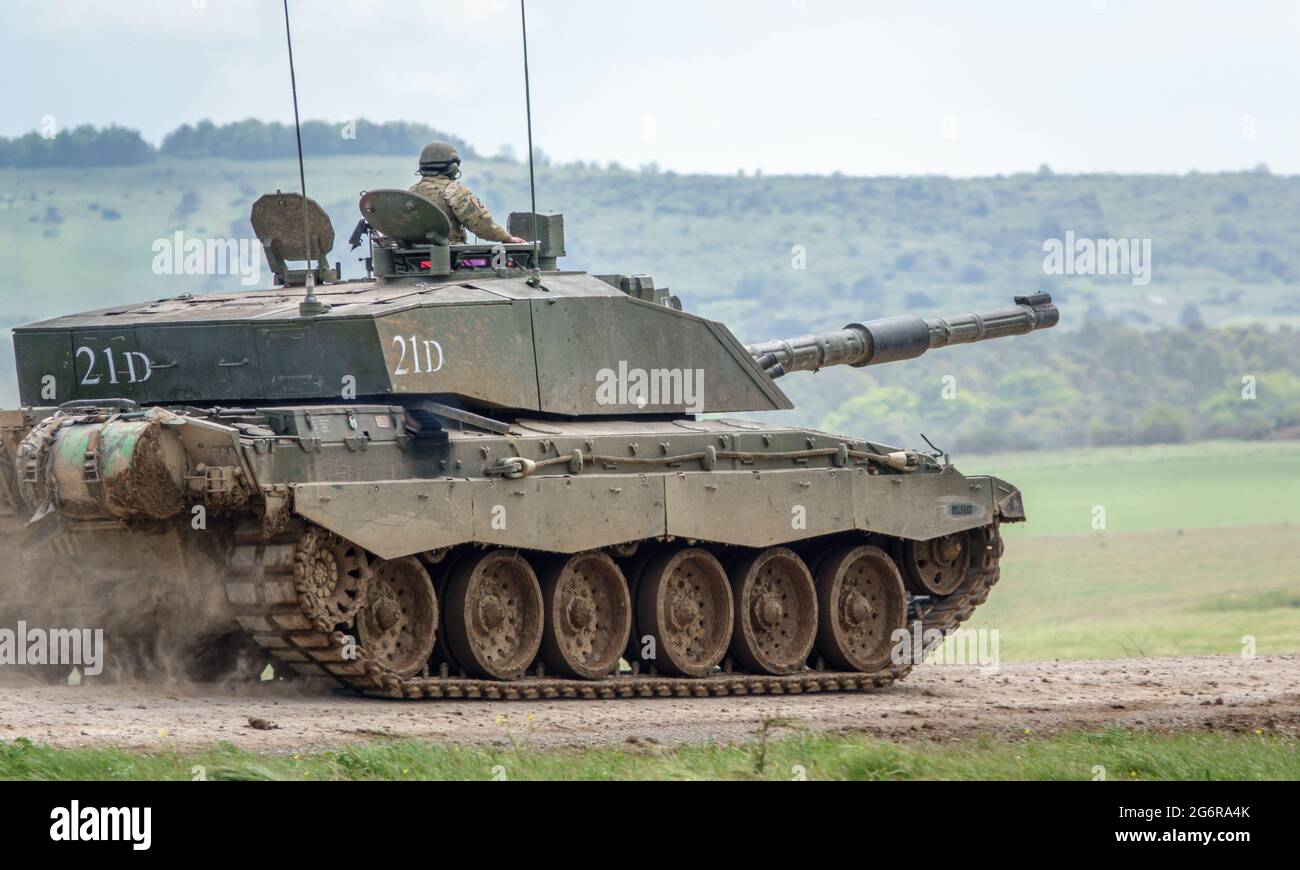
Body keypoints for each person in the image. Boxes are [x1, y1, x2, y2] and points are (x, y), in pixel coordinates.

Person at [409, 141, 526, 245]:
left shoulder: (411, 193)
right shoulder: (453, 191)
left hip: (412, 256)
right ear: (453, 168)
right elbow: (481, 225)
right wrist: (507, 238)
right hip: (449, 255)